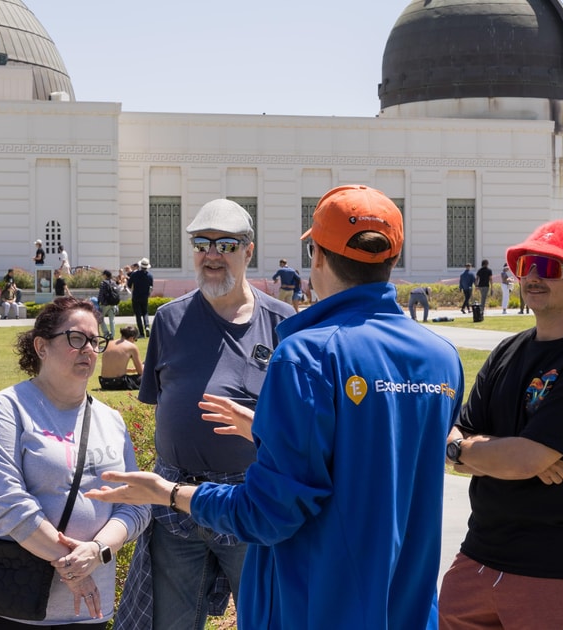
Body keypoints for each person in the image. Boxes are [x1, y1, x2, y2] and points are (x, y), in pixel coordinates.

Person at [90, 185, 463, 629]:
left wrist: (168, 493)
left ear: (316, 256)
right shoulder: (441, 358)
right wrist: (266, 430)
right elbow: (367, 454)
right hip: (406, 609)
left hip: (318, 606)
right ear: (393, 258)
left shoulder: (308, 354)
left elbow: (268, 513)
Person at [109, 198, 295, 630]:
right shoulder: (169, 319)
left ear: (248, 251)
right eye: (201, 244)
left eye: (225, 244)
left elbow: (298, 423)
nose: (211, 255)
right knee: (169, 623)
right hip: (175, 505)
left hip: (251, 505)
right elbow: (162, 402)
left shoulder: (283, 322)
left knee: (269, 620)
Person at [439, 219, 563, 630]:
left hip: (555, 568)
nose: (534, 276)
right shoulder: (507, 351)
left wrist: (512, 455)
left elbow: (524, 459)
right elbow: (455, 436)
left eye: (550, 266)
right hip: (478, 556)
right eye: (526, 265)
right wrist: (473, 450)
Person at [0, 297, 150, 629]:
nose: (88, 349)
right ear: (41, 346)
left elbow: (135, 504)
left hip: (89, 609)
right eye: (76, 338)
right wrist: (72, 568)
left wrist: (98, 550)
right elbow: (5, 503)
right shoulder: (7, 410)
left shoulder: (111, 420)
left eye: (95, 340)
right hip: (11, 605)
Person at [98, 325, 143, 390]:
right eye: (135, 340)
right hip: (119, 383)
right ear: (132, 338)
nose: (134, 342)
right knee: (146, 377)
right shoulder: (132, 347)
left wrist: (131, 370)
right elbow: (141, 372)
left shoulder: (109, 343)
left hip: (104, 383)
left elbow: (113, 368)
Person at [127, 258, 154, 337]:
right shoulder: (150, 276)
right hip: (144, 297)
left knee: (138, 315)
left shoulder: (134, 274)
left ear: (140, 266)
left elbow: (129, 285)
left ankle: (141, 333)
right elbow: (151, 287)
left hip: (136, 296)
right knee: (145, 312)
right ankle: (147, 326)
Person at [97, 269, 119, 339]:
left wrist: (98, 302)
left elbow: (101, 294)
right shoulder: (114, 282)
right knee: (112, 320)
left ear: (105, 275)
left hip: (105, 304)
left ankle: (106, 333)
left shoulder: (103, 283)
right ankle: (112, 335)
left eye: (103, 275)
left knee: (100, 318)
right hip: (113, 303)